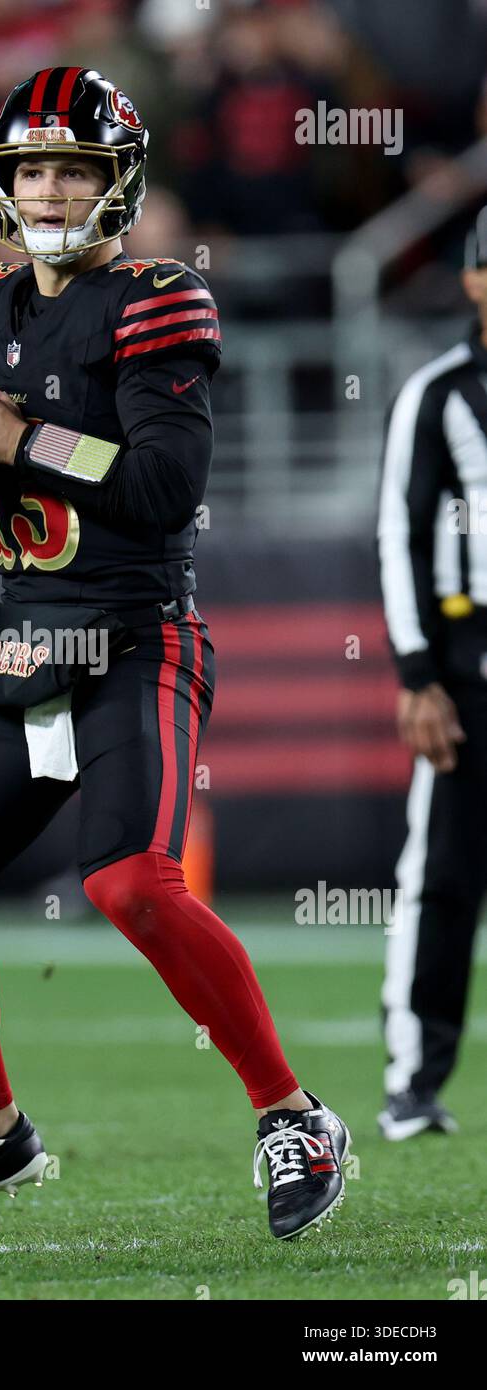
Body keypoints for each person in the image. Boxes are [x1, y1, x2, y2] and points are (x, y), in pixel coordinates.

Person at [0, 67, 350, 1239]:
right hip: (27, 641)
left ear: (115, 180)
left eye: (73, 167)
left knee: (130, 880)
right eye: (31, 167)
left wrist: (16, 435)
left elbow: (166, 486)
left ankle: (292, 1114)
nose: (49, 187)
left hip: (135, 636)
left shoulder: (158, 296)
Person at [376, 208, 487, 1140]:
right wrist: (418, 673)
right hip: (469, 664)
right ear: (473, 279)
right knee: (443, 876)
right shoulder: (440, 392)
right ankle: (413, 1080)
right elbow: (399, 535)